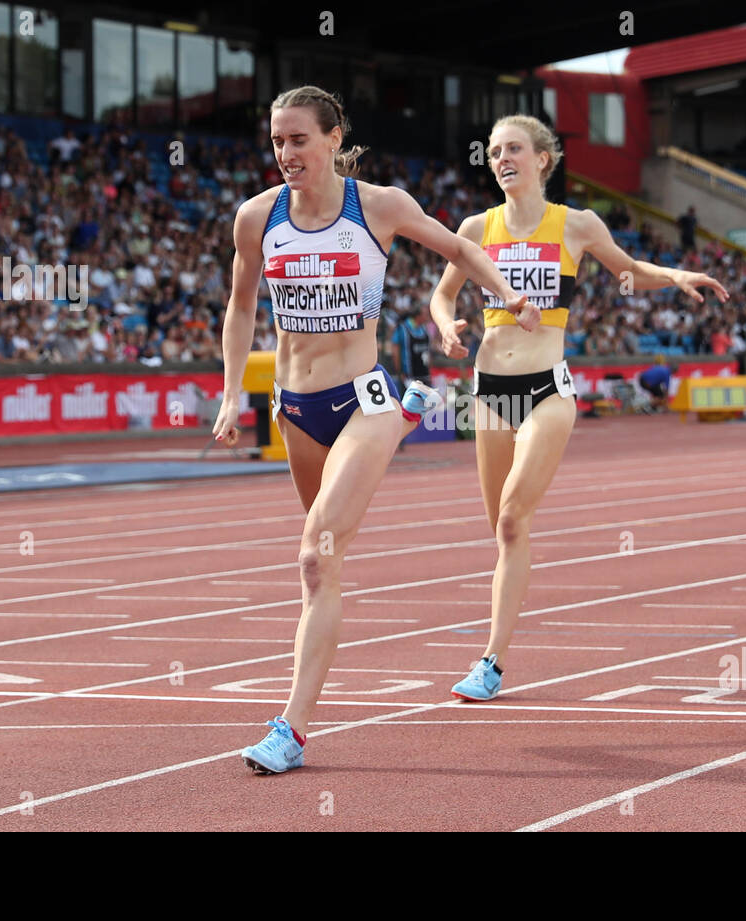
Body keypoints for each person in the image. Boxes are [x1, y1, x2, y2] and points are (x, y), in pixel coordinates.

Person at [212, 86, 533, 774]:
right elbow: (240, 305)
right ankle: (410, 411)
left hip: (358, 399)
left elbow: (456, 247)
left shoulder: (377, 206)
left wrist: (506, 294)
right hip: (294, 407)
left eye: (299, 139)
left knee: (312, 556)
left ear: (333, 139)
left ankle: (291, 730)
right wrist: (233, 388)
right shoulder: (255, 218)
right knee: (322, 570)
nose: (287, 154)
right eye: (277, 142)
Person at [430, 114, 728, 700]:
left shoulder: (575, 225)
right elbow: (443, 295)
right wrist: (447, 329)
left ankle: (490, 662)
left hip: (547, 388)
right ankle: (499, 640)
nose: (501, 159)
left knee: (514, 517)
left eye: (513, 149)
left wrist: (672, 275)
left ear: (543, 158)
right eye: (493, 152)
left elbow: (627, 274)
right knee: (502, 532)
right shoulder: (476, 227)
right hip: (489, 390)